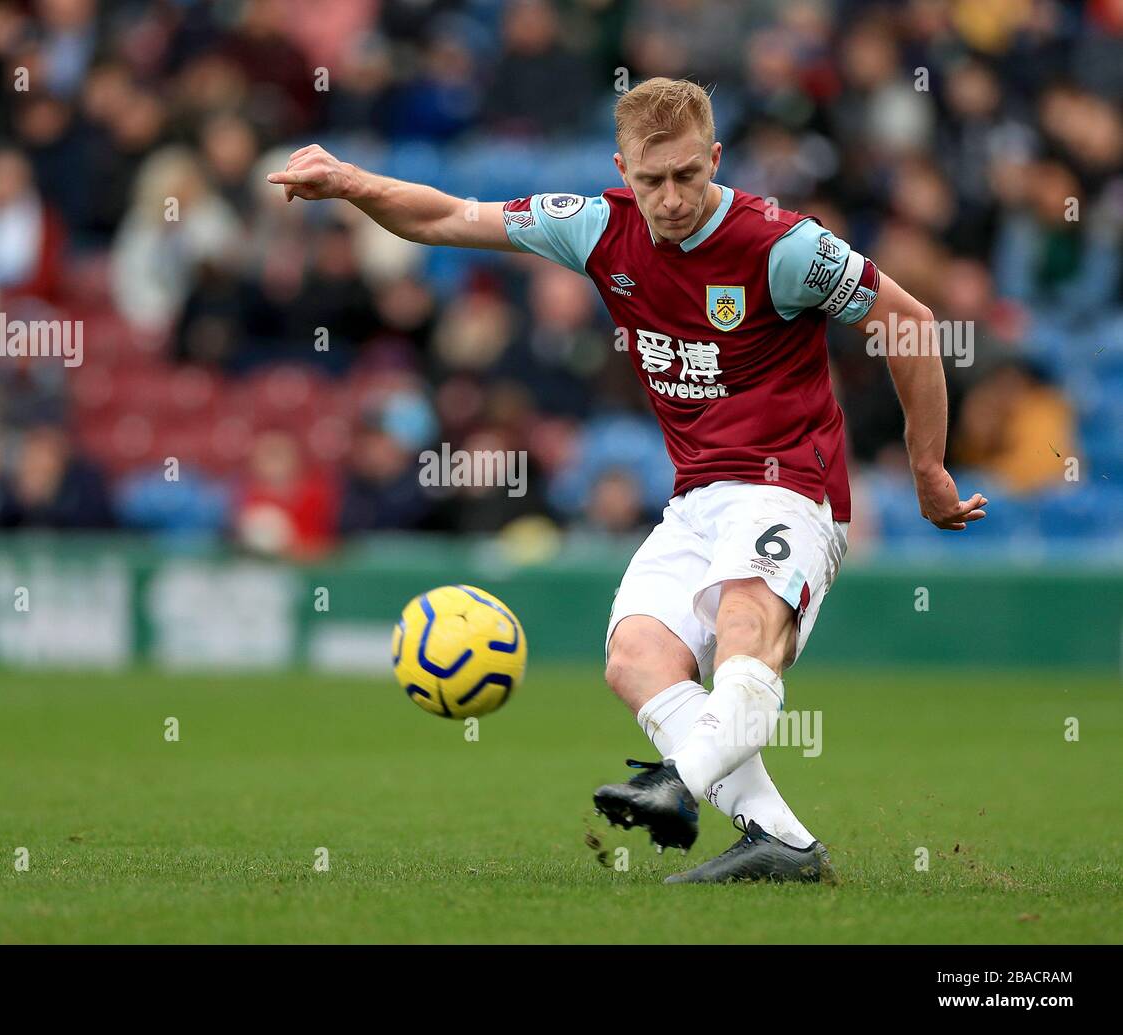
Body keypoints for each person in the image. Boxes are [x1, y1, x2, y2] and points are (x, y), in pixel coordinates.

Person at [268, 77, 988, 884]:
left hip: (792, 484)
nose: (672, 198)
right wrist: (351, 182)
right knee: (635, 657)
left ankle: (677, 782)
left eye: (689, 175)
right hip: (696, 497)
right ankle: (782, 843)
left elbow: (909, 320)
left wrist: (927, 467)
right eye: (652, 180)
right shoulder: (596, 230)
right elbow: (444, 217)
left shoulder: (781, 246)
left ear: (715, 158)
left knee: (746, 625)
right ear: (623, 168)